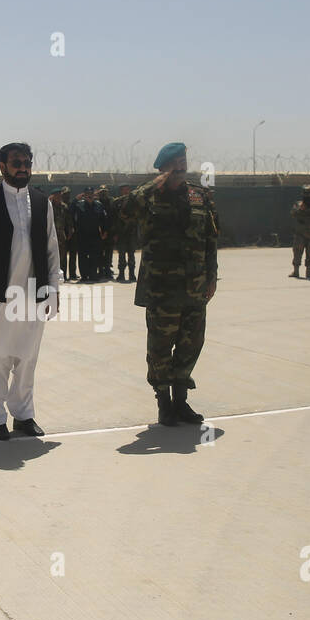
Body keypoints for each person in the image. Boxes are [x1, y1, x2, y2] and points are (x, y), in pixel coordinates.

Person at [0, 142, 60, 442]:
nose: (23, 166)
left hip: (32, 295)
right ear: (2, 166)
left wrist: (54, 291)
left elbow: (52, 249)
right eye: (16, 161)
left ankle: (24, 416)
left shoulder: (43, 202)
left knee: (27, 359)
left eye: (27, 161)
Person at [121, 142, 218, 427]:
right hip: (161, 290)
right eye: (174, 163)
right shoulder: (148, 197)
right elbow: (121, 213)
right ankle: (164, 403)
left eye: (183, 161)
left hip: (195, 288)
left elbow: (211, 240)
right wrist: (153, 186)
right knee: (161, 348)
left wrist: (212, 276)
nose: (181, 166)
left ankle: (181, 402)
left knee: (192, 344)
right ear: (162, 167)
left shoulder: (199, 197)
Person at [71, 187, 107, 282]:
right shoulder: (79, 205)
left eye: (91, 193)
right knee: (82, 256)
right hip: (82, 235)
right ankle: (84, 276)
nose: (89, 195)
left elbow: (104, 220)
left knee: (94, 256)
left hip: (95, 235)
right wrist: (75, 200)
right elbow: (70, 212)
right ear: (84, 194)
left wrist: (105, 231)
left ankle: (93, 275)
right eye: (87, 193)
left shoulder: (99, 205)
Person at [113, 184, 138, 282]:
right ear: (121, 191)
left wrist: (129, 219)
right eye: (123, 190)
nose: (126, 192)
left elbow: (137, 215)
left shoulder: (134, 202)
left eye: (127, 190)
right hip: (121, 232)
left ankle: (132, 274)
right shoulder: (117, 202)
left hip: (131, 231)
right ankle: (121, 274)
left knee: (131, 254)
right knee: (121, 255)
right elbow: (114, 218)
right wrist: (115, 233)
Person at [50, 188, 73, 281]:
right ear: (53, 196)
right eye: (57, 195)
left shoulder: (64, 206)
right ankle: (52, 276)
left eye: (60, 195)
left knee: (63, 256)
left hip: (61, 234)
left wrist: (70, 231)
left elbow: (69, 220)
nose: (59, 197)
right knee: (52, 256)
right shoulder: (49, 206)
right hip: (51, 234)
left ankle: (63, 276)